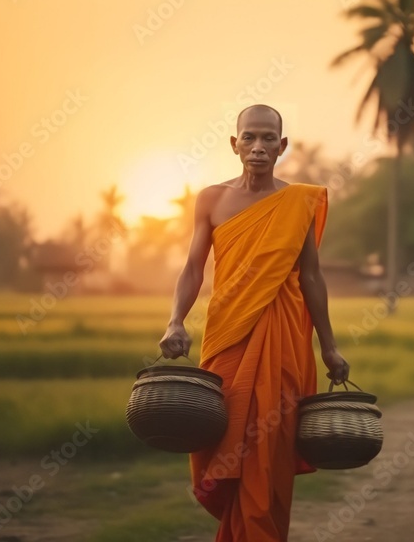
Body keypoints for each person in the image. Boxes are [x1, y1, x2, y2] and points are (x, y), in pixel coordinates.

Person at [158, 104, 349, 541]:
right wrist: (175, 322)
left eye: (268, 139)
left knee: (268, 453)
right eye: (250, 138)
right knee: (219, 441)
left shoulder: (298, 203)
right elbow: (192, 269)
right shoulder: (212, 199)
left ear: (282, 147)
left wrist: (330, 346)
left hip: (283, 341)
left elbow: (312, 277)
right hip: (227, 337)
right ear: (234, 144)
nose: (258, 147)